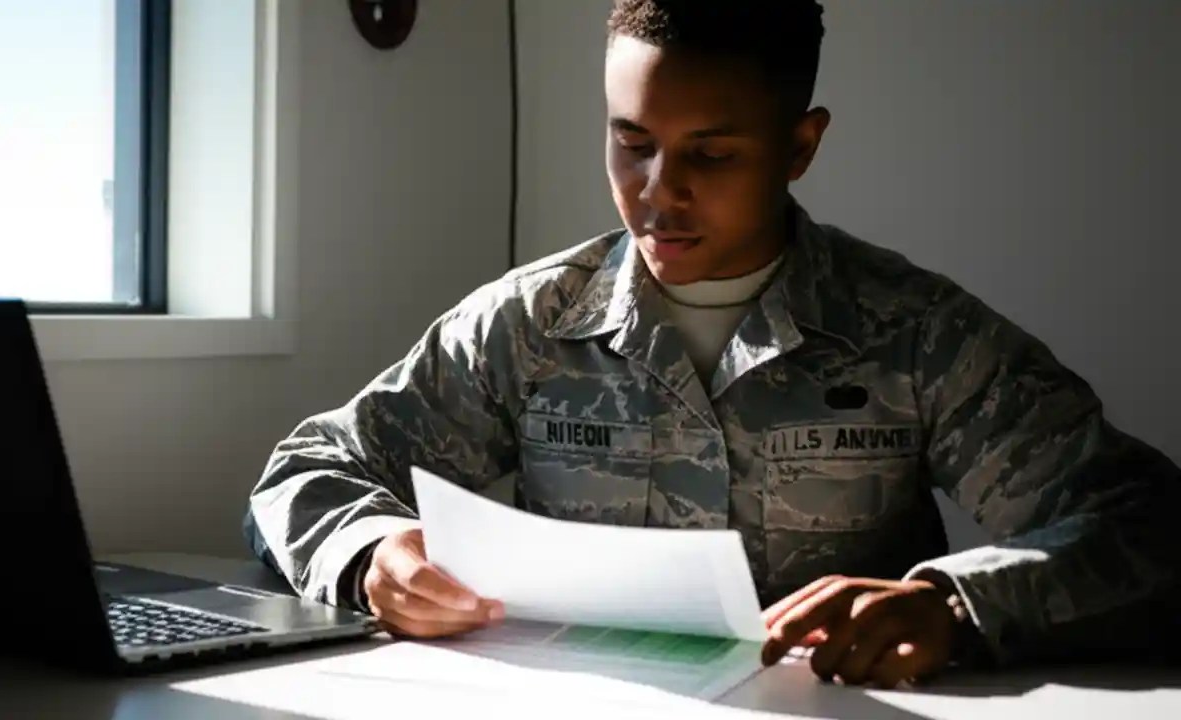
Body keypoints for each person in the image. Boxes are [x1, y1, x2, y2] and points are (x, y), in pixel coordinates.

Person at [244, 0, 1179, 689]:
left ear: (799, 145)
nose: (658, 191)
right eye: (631, 143)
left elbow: (1145, 525)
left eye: (711, 155)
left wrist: (960, 604)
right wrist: (368, 552)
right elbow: (306, 467)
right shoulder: (530, 326)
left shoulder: (916, 336)